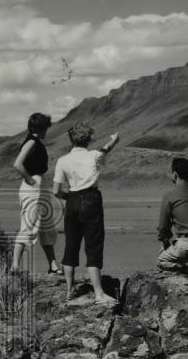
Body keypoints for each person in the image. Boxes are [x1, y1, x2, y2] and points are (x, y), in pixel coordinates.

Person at [52, 123, 120, 305]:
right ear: (89, 139)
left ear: (71, 139)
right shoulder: (94, 156)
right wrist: (114, 140)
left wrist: (68, 197)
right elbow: (106, 149)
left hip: (72, 200)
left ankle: (69, 290)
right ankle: (99, 293)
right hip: (91, 200)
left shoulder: (62, 160)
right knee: (94, 245)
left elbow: (55, 190)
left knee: (71, 245)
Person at [11, 112, 62, 275]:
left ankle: (53, 265)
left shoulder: (34, 141)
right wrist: (30, 179)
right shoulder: (32, 142)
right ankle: (15, 267)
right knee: (29, 226)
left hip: (39, 185)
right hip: (33, 186)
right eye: (45, 127)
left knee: (46, 227)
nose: (47, 131)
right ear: (40, 128)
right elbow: (17, 164)